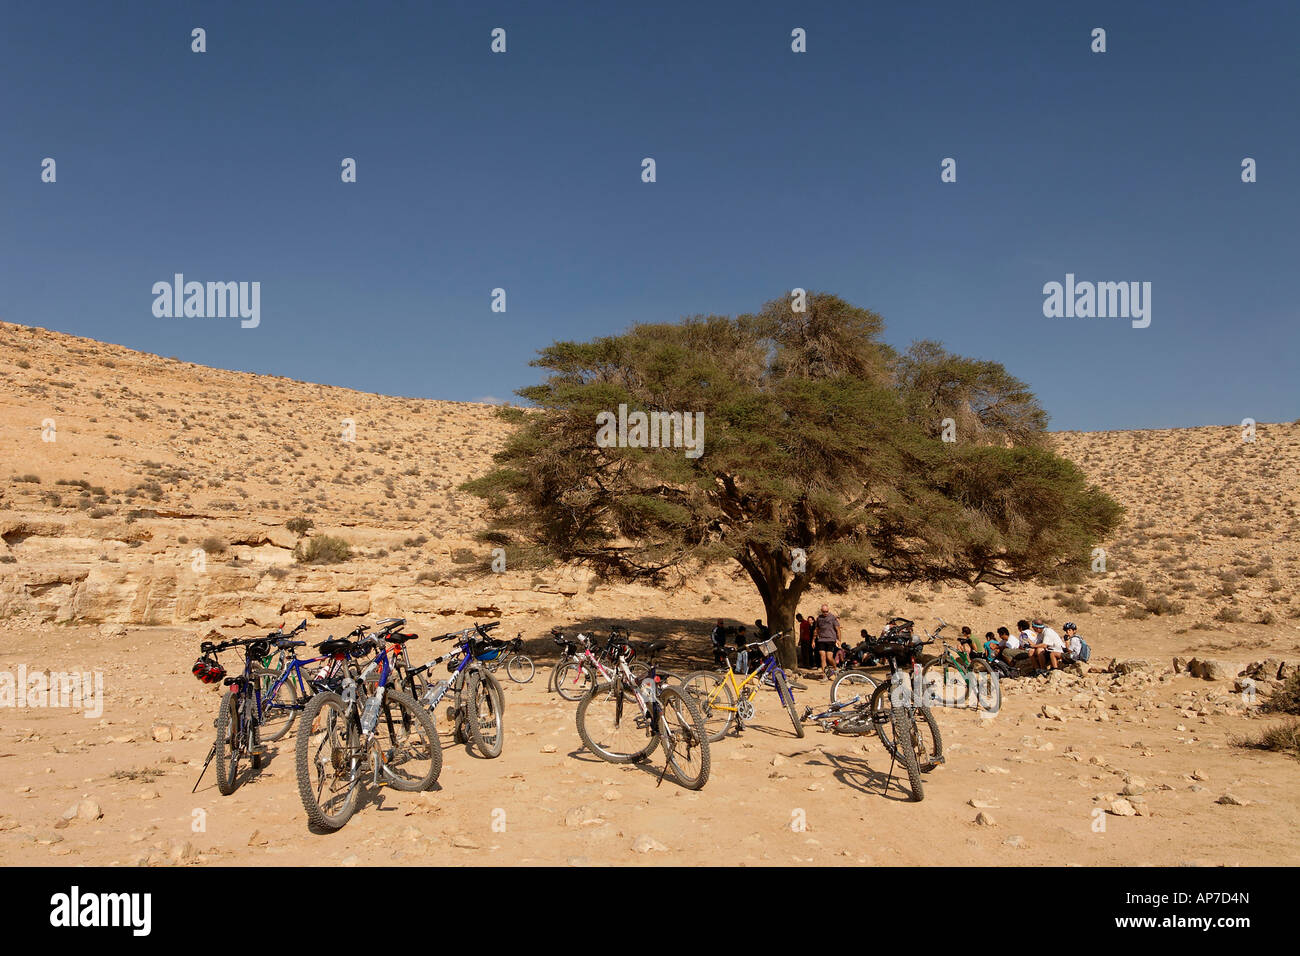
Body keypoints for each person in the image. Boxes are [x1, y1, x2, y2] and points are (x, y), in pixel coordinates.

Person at [814, 604, 840, 678]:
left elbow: (838, 629)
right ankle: (824, 674)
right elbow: (816, 629)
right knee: (822, 656)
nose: (825, 613)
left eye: (827, 611)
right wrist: (813, 640)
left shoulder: (832, 618)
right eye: (824, 611)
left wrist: (839, 640)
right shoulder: (819, 618)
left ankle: (835, 668)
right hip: (821, 639)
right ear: (821, 611)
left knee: (829, 657)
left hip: (831, 639)